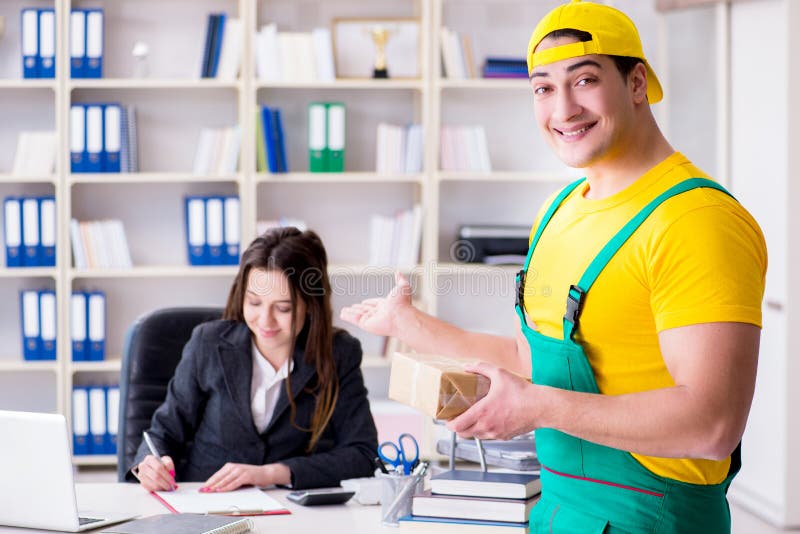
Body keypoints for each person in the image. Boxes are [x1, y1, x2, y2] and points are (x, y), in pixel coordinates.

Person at [341, 1, 767, 532]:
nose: (563, 109)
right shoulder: (559, 211)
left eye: (584, 80)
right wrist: (412, 327)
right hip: (556, 514)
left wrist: (536, 407)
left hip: (651, 519)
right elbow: (527, 357)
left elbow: (712, 424)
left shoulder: (696, 221)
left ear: (637, 83)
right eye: (543, 87)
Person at [129, 227, 378, 492]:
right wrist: (149, 464)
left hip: (291, 510)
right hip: (204, 500)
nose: (265, 321)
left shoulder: (339, 353)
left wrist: (272, 473)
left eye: (283, 308)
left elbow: (362, 454)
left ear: (310, 303)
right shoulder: (208, 343)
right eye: (254, 303)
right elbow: (164, 431)